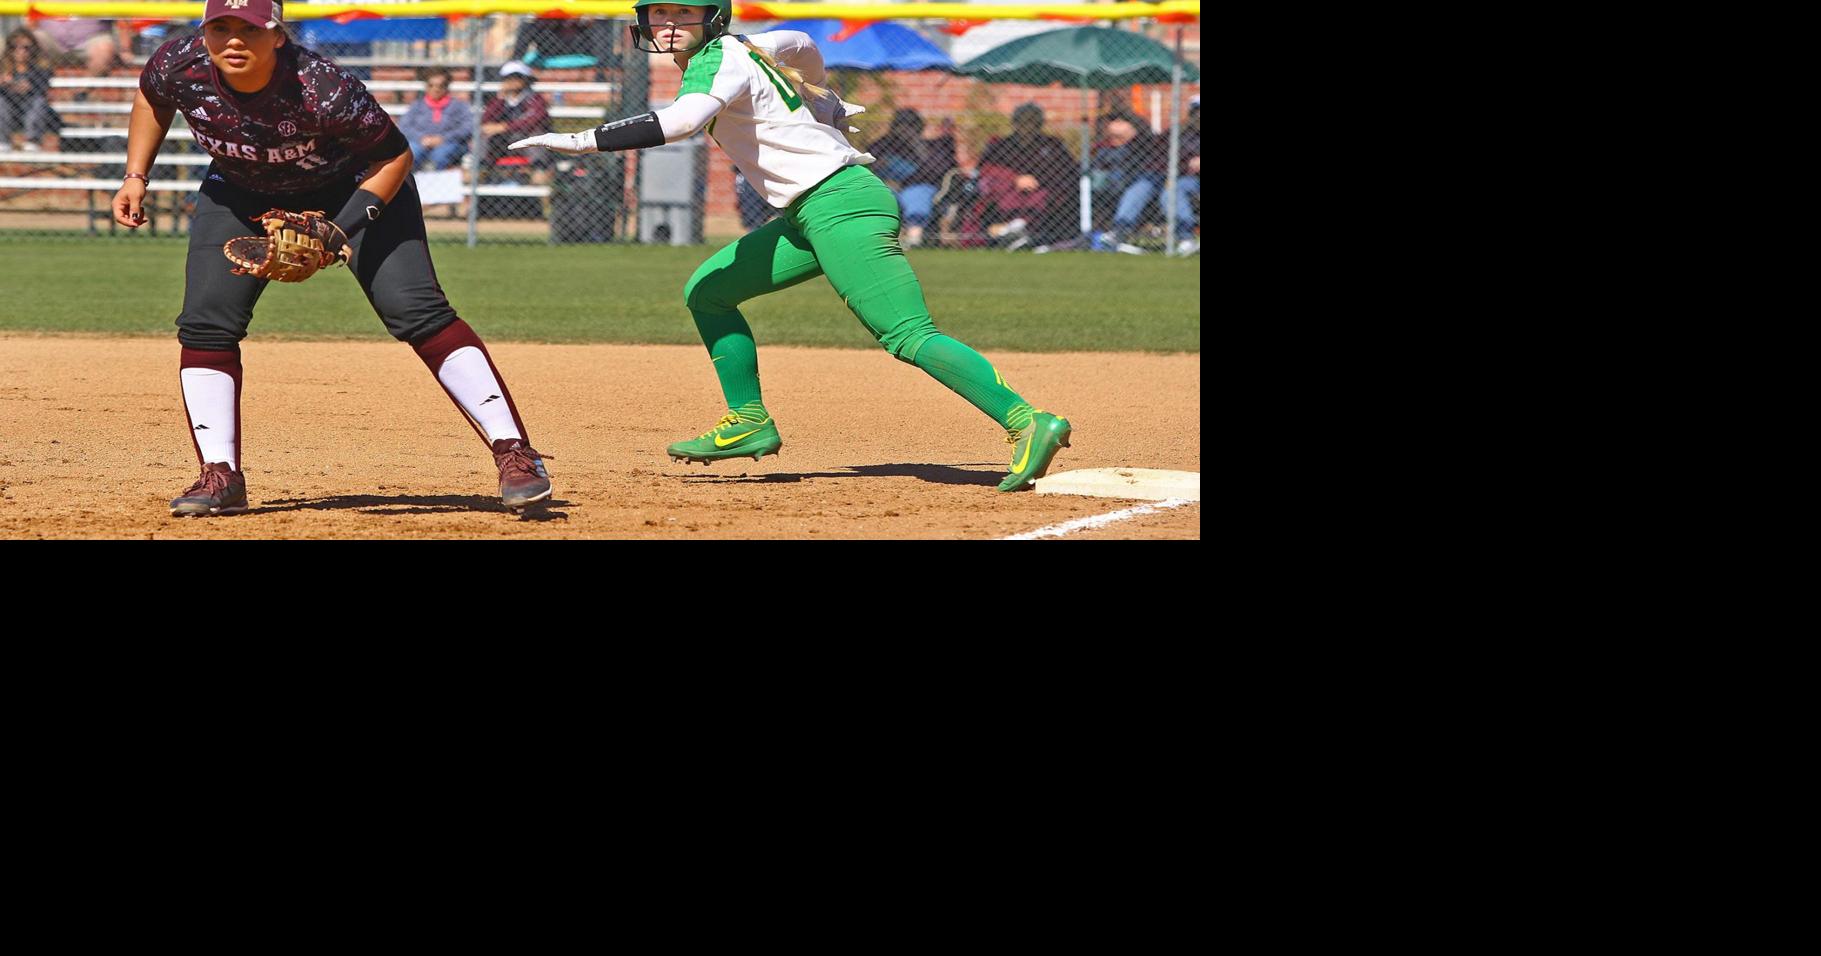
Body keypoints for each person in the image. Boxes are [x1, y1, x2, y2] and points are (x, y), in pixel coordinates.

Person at [510, 0, 1071, 492]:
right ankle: (749, 418)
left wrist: (581, 140)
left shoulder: (718, 59)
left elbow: (683, 122)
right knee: (708, 292)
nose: (671, 24)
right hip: (811, 213)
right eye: (660, 14)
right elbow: (802, 44)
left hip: (841, 202)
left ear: (712, 17)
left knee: (906, 335)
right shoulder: (749, 44)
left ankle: (1027, 420)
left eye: (683, 13)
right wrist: (822, 93)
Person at [111, 0, 553, 517]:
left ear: (277, 35)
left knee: (418, 313)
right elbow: (151, 98)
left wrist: (338, 231)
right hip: (240, 191)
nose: (234, 40)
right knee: (206, 325)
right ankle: (221, 475)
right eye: (220, 27)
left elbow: (395, 156)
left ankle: (516, 455)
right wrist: (135, 176)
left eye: (249, 29)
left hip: (354, 188)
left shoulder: (321, 87)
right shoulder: (178, 63)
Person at [972, 103, 1079, 248]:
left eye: (1032, 121)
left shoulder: (1052, 144)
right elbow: (985, 168)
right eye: (1023, 121)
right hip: (1008, 189)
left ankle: (1022, 231)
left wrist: (1037, 179)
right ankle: (1007, 229)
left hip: (1042, 189)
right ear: (1015, 123)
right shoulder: (1000, 144)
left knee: (1053, 195)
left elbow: (1066, 169)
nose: (1027, 126)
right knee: (990, 187)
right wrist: (1014, 179)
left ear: (1040, 124)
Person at [864, 107, 956, 248]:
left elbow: (933, 170)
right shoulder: (883, 144)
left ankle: (914, 239)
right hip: (888, 185)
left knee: (916, 195)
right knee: (881, 194)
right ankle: (880, 238)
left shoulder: (927, 147)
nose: (905, 131)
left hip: (916, 185)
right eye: (901, 127)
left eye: (910, 127)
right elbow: (870, 162)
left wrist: (915, 143)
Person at [479, 60, 550, 172]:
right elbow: (486, 119)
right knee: (483, 134)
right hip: (503, 140)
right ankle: (480, 169)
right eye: (508, 78)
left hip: (525, 138)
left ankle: (538, 171)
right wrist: (499, 99)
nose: (512, 81)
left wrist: (505, 127)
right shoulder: (499, 100)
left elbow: (534, 120)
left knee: (537, 135)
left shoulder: (535, 99)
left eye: (517, 77)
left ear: (525, 79)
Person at [398, 67, 473, 171]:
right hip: (421, 142)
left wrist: (443, 138)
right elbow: (404, 126)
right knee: (411, 154)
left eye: (440, 86)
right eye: (431, 85)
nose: (436, 89)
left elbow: (468, 127)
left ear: (447, 87)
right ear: (426, 87)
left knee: (439, 156)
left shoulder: (458, 106)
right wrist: (422, 138)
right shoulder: (417, 105)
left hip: (449, 142)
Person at [1, 29, 62, 152]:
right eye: (14, 47)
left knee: (39, 102)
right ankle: (2, 141)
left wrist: (16, 85)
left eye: (26, 47)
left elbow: (39, 89)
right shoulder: (3, 67)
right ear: (9, 49)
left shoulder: (41, 68)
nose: (20, 51)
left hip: (32, 112)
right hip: (9, 112)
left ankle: (32, 141)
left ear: (33, 49)